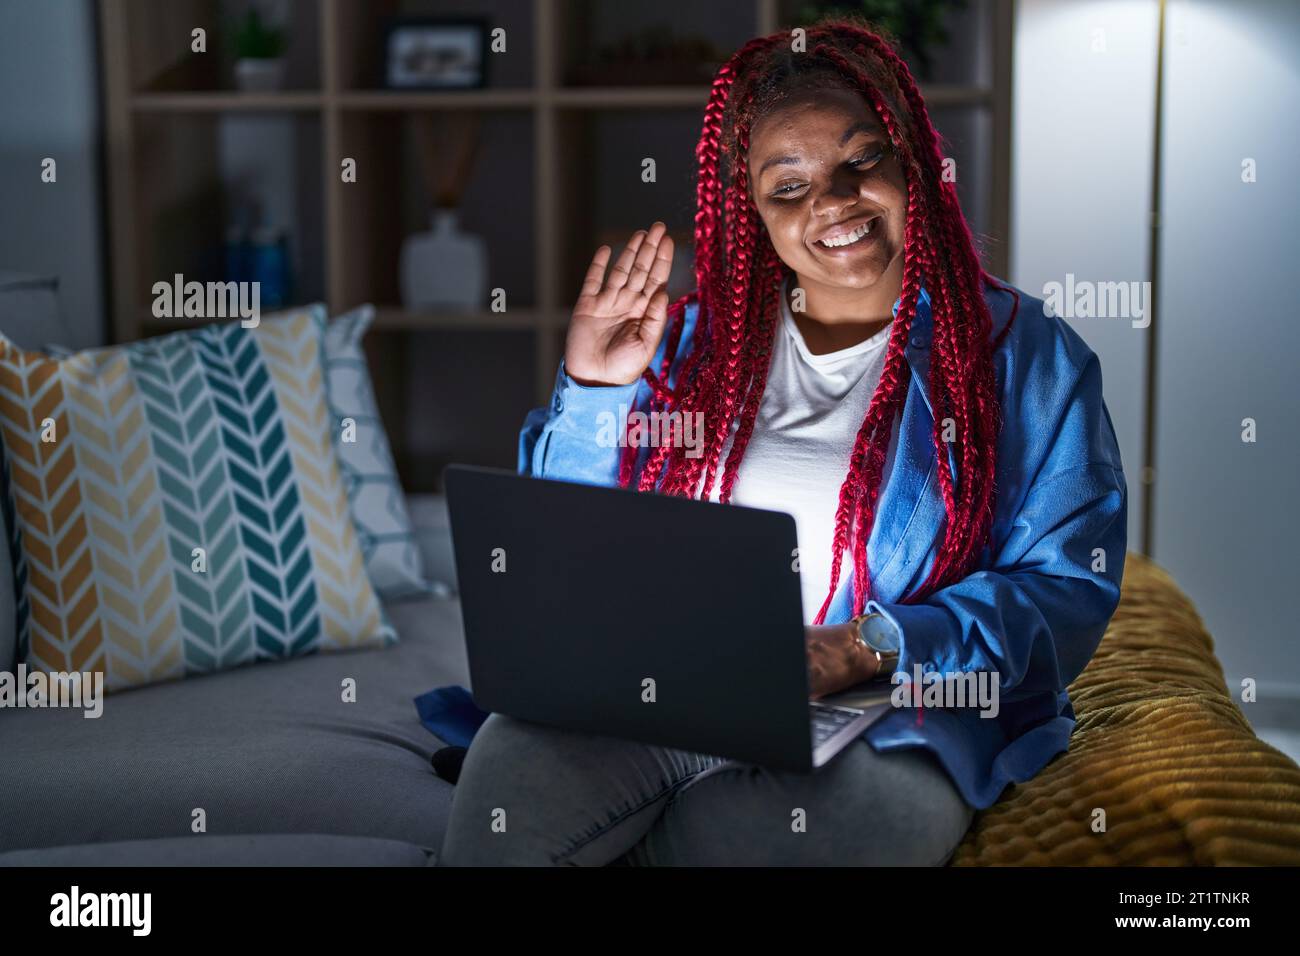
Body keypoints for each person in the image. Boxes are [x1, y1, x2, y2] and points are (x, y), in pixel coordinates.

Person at [438, 17, 1127, 866]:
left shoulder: (1029, 357)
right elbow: (567, 556)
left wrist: (869, 642)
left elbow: (1065, 590)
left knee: (830, 830)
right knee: (511, 773)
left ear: (910, 158)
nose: (832, 203)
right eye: (787, 185)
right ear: (753, 210)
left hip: (893, 702)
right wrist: (595, 390)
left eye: (859, 160)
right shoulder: (686, 342)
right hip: (675, 684)